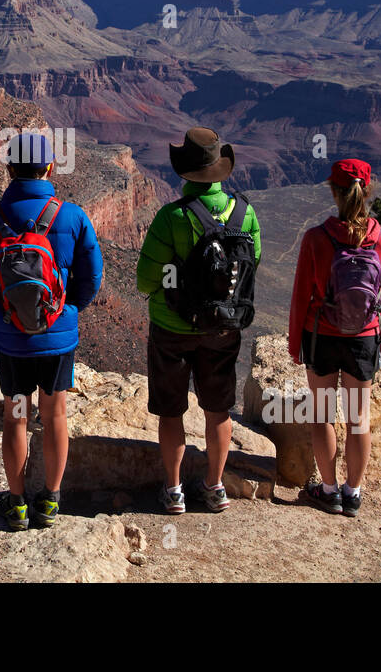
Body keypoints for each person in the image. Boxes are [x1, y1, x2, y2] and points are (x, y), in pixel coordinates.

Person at [0, 132, 103, 531]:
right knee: (55, 414)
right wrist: (67, 311)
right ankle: (51, 501)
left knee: (17, 416)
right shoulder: (71, 216)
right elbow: (91, 277)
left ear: (9, 169)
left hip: (13, 342)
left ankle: (18, 504)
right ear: (49, 168)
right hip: (57, 338)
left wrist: (0, 312)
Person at [136, 127, 261, 514]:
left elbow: (145, 280)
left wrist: (173, 283)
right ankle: (214, 486)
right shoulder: (245, 213)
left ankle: (174, 491)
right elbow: (252, 263)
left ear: (185, 171)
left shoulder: (171, 216)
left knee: (171, 411)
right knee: (218, 410)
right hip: (223, 327)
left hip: (172, 329)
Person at [288, 158, 381, 518]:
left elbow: (301, 295)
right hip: (363, 339)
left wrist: (294, 343)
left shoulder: (316, 238)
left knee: (322, 415)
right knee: (358, 420)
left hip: (321, 336)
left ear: (334, 192)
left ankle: (329, 491)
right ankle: (353, 493)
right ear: (367, 192)